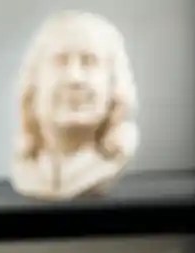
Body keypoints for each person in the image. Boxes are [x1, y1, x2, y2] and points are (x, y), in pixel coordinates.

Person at [11, 11, 139, 200]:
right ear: (35, 82)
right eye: (60, 61)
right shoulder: (28, 166)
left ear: (114, 83)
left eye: (89, 61)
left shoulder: (111, 160)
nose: (74, 78)